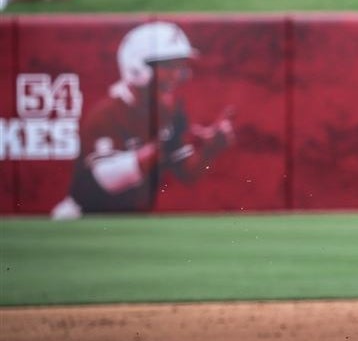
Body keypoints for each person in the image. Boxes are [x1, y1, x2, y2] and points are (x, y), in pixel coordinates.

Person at [50, 21, 236, 220]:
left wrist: (209, 148)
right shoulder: (108, 112)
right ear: (137, 66)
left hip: (134, 220)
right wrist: (154, 152)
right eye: (168, 65)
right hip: (83, 219)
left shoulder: (170, 111)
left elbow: (187, 173)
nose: (178, 74)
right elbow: (104, 180)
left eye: (179, 65)